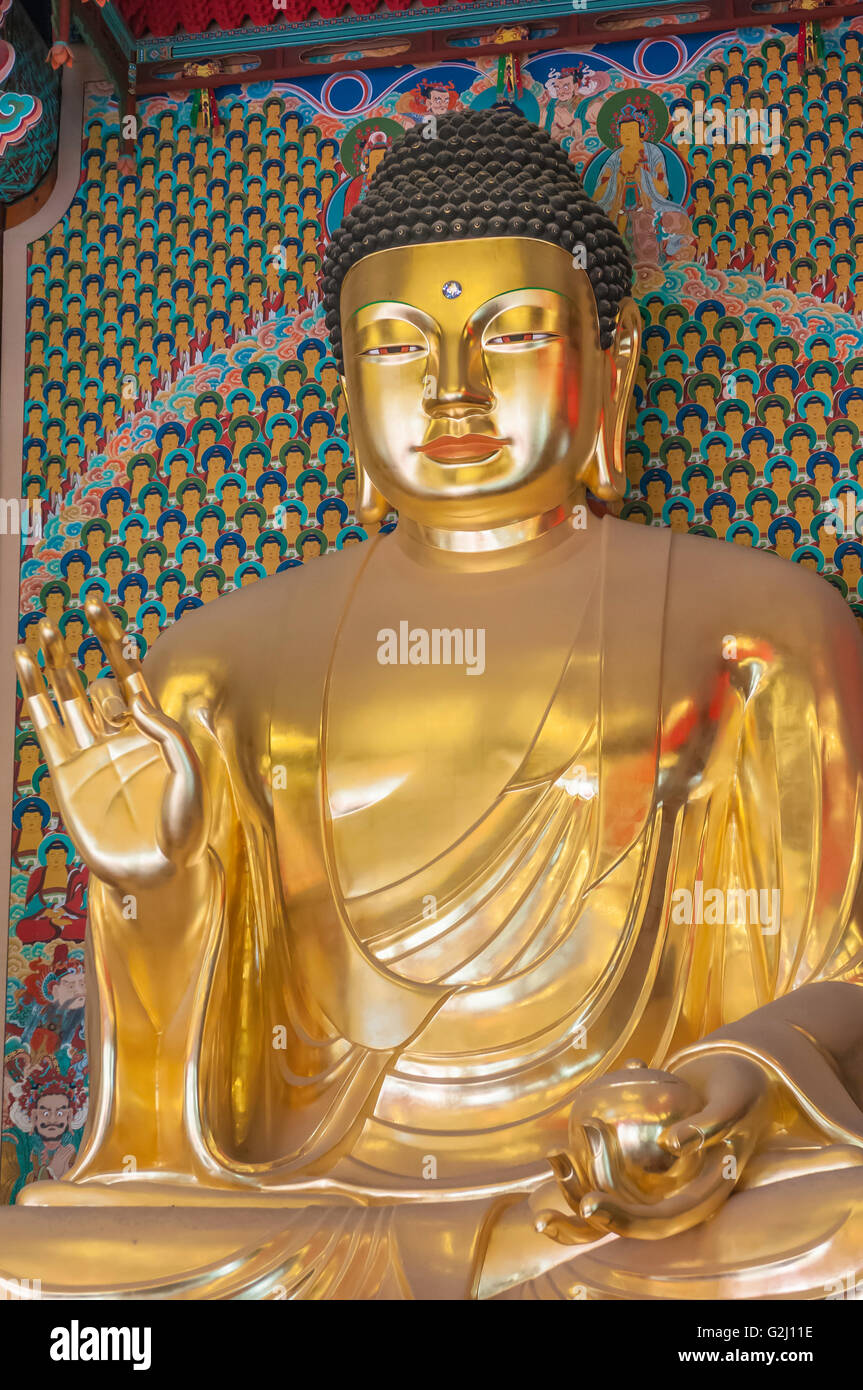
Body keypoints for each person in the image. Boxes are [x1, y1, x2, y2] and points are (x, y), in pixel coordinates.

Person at [13, 104, 863, 1304]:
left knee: (843, 1228)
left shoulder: (762, 621)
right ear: (346, 388)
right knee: (38, 1264)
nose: (454, 389)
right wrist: (155, 892)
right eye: (399, 345)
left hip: (627, 1198)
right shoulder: (213, 663)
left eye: (511, 333)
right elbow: (159, 1130)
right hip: (316, 1199)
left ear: (611, 365)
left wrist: (721, 1086)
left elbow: (845, 974)